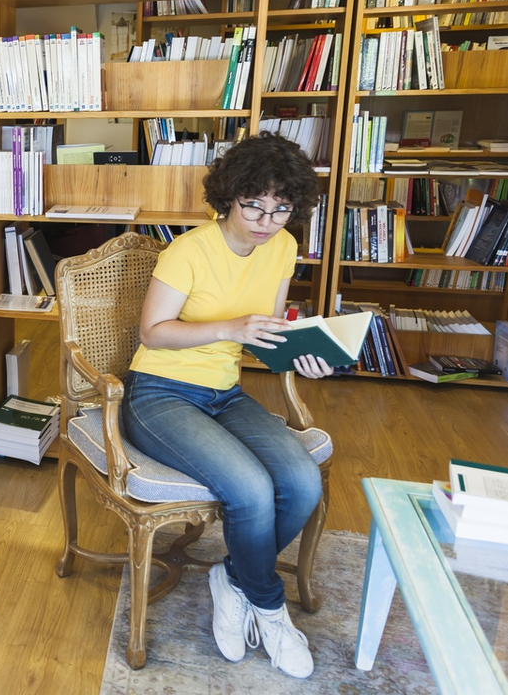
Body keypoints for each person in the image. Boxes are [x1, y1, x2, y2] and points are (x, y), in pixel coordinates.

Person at [120, 133, 331, 679]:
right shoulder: (188, 250)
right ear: (228, 196)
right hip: (159, 393)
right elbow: (154, 332)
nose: (265, 220)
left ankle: (232, 577)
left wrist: (302, 356)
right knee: (251, 490)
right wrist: (229, 327)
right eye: (252, 205)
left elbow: (269, 334)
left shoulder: (283, 248)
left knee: (303, 482)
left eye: (281, 208)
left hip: (224, 393)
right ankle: (270, 606)